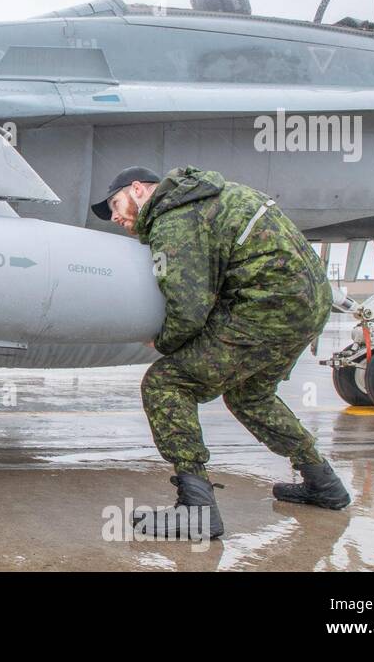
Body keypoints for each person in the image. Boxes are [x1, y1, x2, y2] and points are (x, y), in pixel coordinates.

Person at [92, 166, 351, 540]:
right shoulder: (206, 195)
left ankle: (197, 510)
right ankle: (323, 483)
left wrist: (161, 341)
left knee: (166, 383)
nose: (115, 216)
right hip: (307, 305)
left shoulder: (174, 216)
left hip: (269, 307)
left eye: (115, 204)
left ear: (138, 190)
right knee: (252, 397)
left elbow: (190, 307)